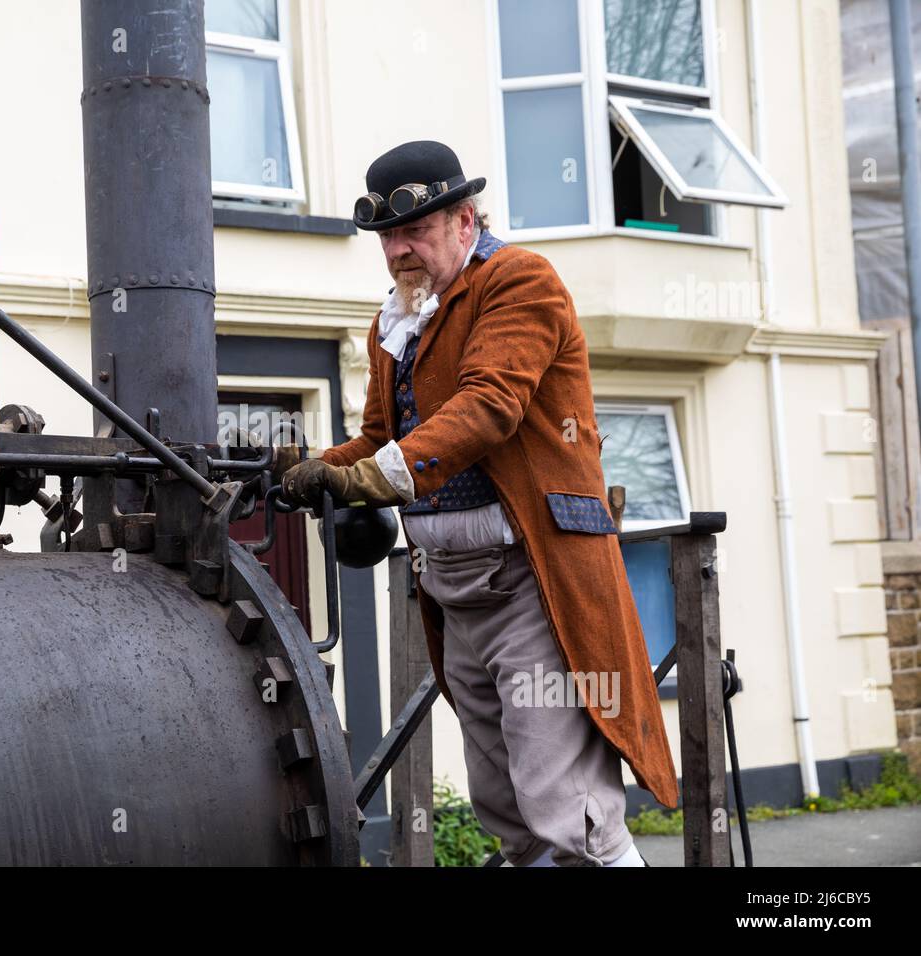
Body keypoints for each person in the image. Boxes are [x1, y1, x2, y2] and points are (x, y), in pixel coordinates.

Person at [276, 140, 677, 866]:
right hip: (452, 587)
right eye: (388, 237)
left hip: (534, 580)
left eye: (415, 230)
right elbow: (375, 437)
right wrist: (305, 471)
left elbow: (489, 406)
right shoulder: (394, 319)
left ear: (465, 220)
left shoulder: (520, 280)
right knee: (505, 806)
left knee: (566, 806)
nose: (400, 250)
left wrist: (361, 480)